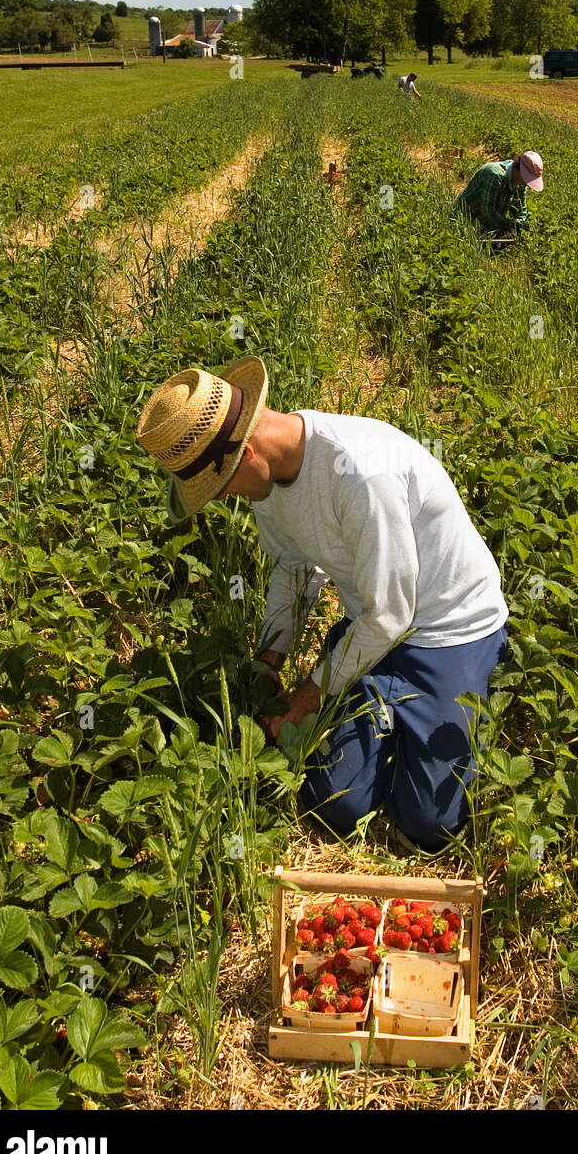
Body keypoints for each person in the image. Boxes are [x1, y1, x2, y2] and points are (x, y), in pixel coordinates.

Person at [136, 356, 508, 852]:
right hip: (374, 623)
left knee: (429, 826)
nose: (226, 499)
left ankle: (432, 723)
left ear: (246, 454)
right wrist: (271, 660)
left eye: (221, 488)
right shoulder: (269, 479)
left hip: (449, 629)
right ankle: (391, 723)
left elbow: (393, 615)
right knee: (336, 803)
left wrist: (305, 697)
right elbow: (293, 566)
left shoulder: (361, 476)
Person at [454, 150, 544, 238]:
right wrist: (512, 225)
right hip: (465, 220)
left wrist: (521, 225)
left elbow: (520, 209)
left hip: (490, 224)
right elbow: (488, 212)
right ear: (519, 170)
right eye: (527, 179)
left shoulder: (521, 183)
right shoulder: (494, 175)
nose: (527, 183)